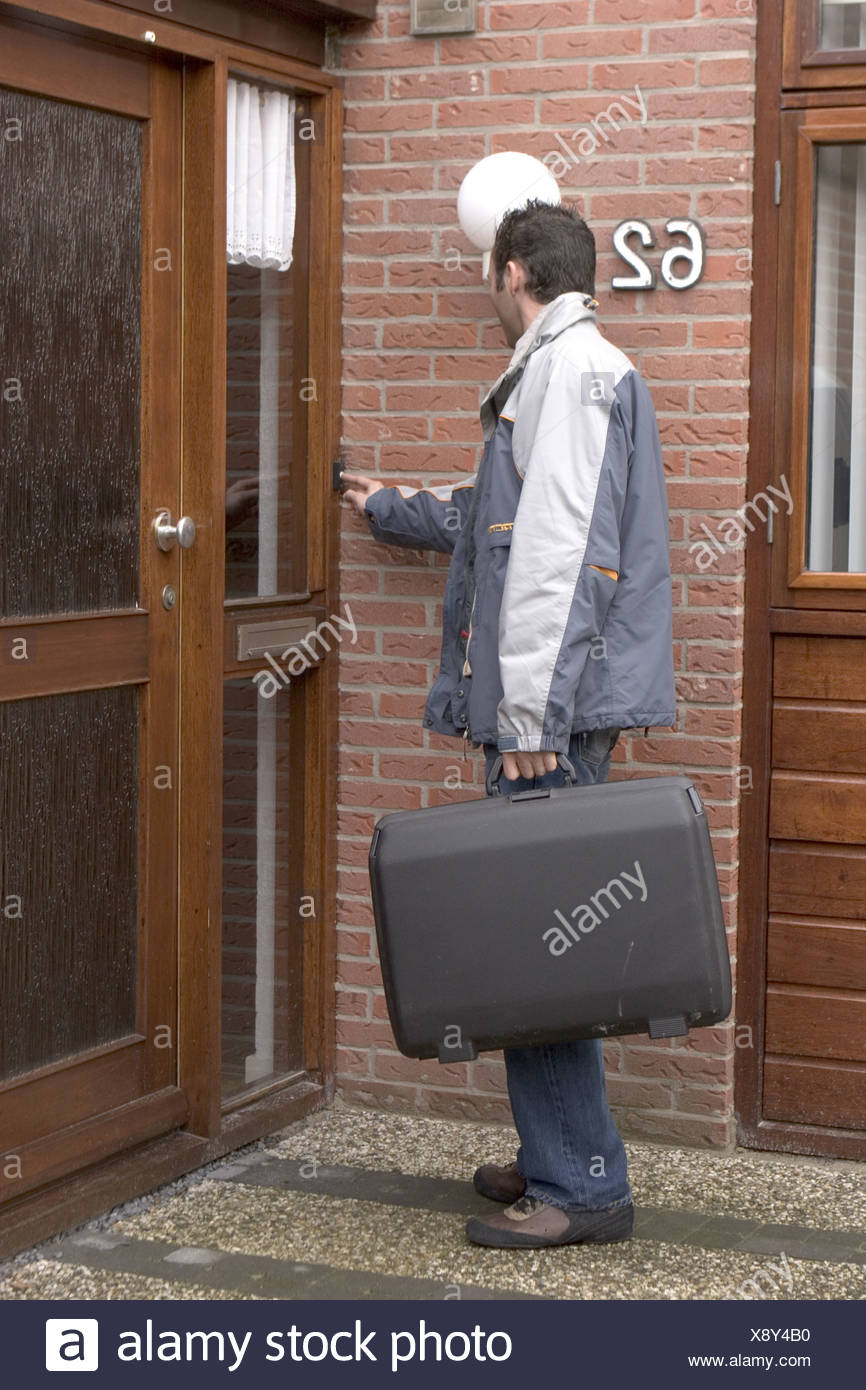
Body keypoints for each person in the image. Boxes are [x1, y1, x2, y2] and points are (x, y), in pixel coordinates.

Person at [342, 199, 676, 1250]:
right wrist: (386, 505)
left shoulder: (569, 373)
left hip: (549, 718)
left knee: (541, 948)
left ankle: (582, 1186)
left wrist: (529, 716)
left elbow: (558, 557)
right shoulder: (559, 373)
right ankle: (557, 1153)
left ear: (515, 271)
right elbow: (498, 519)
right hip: (561, 705)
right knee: (542, 942)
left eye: (489, 271)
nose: (487, 286)